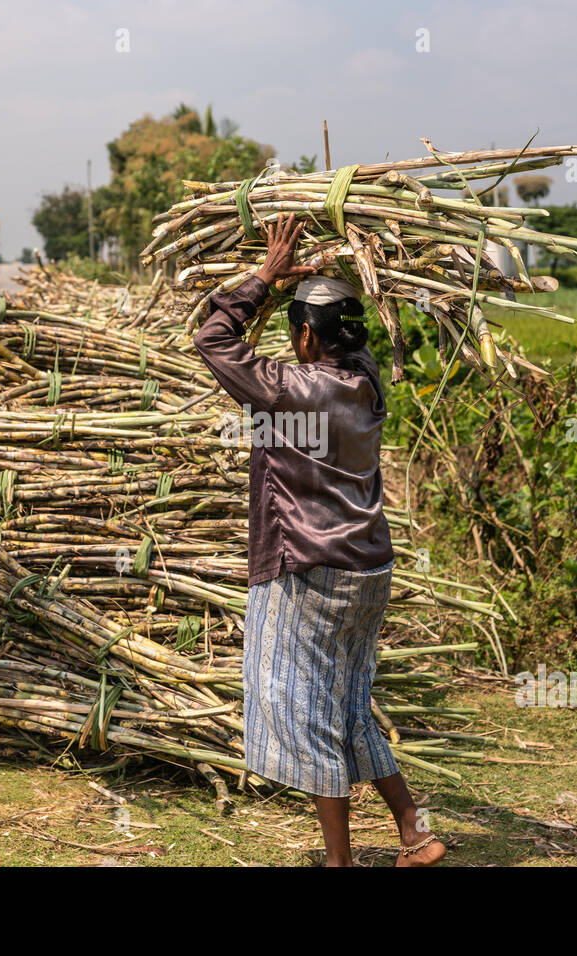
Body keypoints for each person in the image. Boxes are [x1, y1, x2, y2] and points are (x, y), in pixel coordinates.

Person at [193, 213, 446, 866]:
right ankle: (415, 833)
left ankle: (339, 862)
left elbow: (212, 338)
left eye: (295, 332)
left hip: (310, 572)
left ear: (305, 336)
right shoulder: (366, 382)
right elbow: (344, 337)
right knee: (351, 707)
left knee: (304, 714)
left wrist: (264, 278)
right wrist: (316, 285)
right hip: (369, 568)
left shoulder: (288, 391)